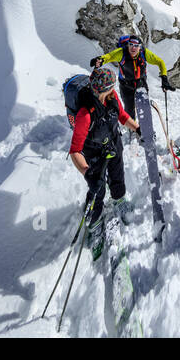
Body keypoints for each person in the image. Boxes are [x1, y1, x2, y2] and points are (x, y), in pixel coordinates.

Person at [69, 65, 140, 258]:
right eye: (111, 87)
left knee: (118, 173)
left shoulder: (112, 97)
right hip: (93, 152)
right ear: (103, 89)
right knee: (97, 189)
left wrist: (138, 129)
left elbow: (122, 117)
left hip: (113, 142)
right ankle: (95, 223)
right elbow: (75, 150)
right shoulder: (85, 114)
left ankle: (119, 198)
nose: (113, 90)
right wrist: (87, 172)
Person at [93, 34, 171, 119]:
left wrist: (164, 77)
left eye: (136, 46)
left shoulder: (144, 53)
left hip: (141, 83)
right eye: (131, 44)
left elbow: (160, 62)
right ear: (128, 44)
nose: (133, 48)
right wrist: (100, 60)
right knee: (129, 109)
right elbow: (109, 56)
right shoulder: (121, 52)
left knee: (144, 107)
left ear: (139, 47)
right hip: (126, 86)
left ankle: (146, 127)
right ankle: (132, 129)